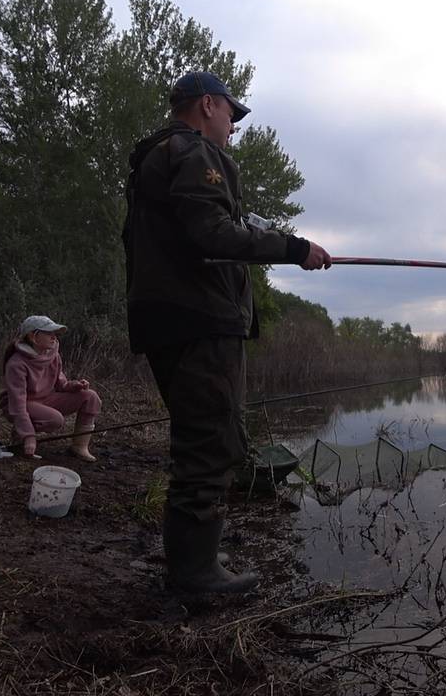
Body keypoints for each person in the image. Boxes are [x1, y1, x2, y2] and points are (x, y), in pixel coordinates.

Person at [122, 71, 331, 594]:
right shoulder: (193, 153)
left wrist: (262, 236)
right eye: (231, 116)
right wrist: (292, 247)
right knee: (212, 443)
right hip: (199, 320)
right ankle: (194, 576)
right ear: (208, 105)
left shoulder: (155, 158)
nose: (233, 128)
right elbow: (211, 235)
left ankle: (192, 564)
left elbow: (197, 232)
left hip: (166, 319)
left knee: (201, 438)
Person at [1, 315, 102, 462]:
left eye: (55, 333)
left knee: (90, 396)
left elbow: (61, 384)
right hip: (23, 404)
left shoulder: (52, 355)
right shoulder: (17, 364)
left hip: (46, 399)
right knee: (55, 419)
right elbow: (18, 405)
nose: (54, 337)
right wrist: (29, 436)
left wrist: (75, 386)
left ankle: (80, 446)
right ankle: (21, 436)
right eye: (49, 333)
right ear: (33, 336)